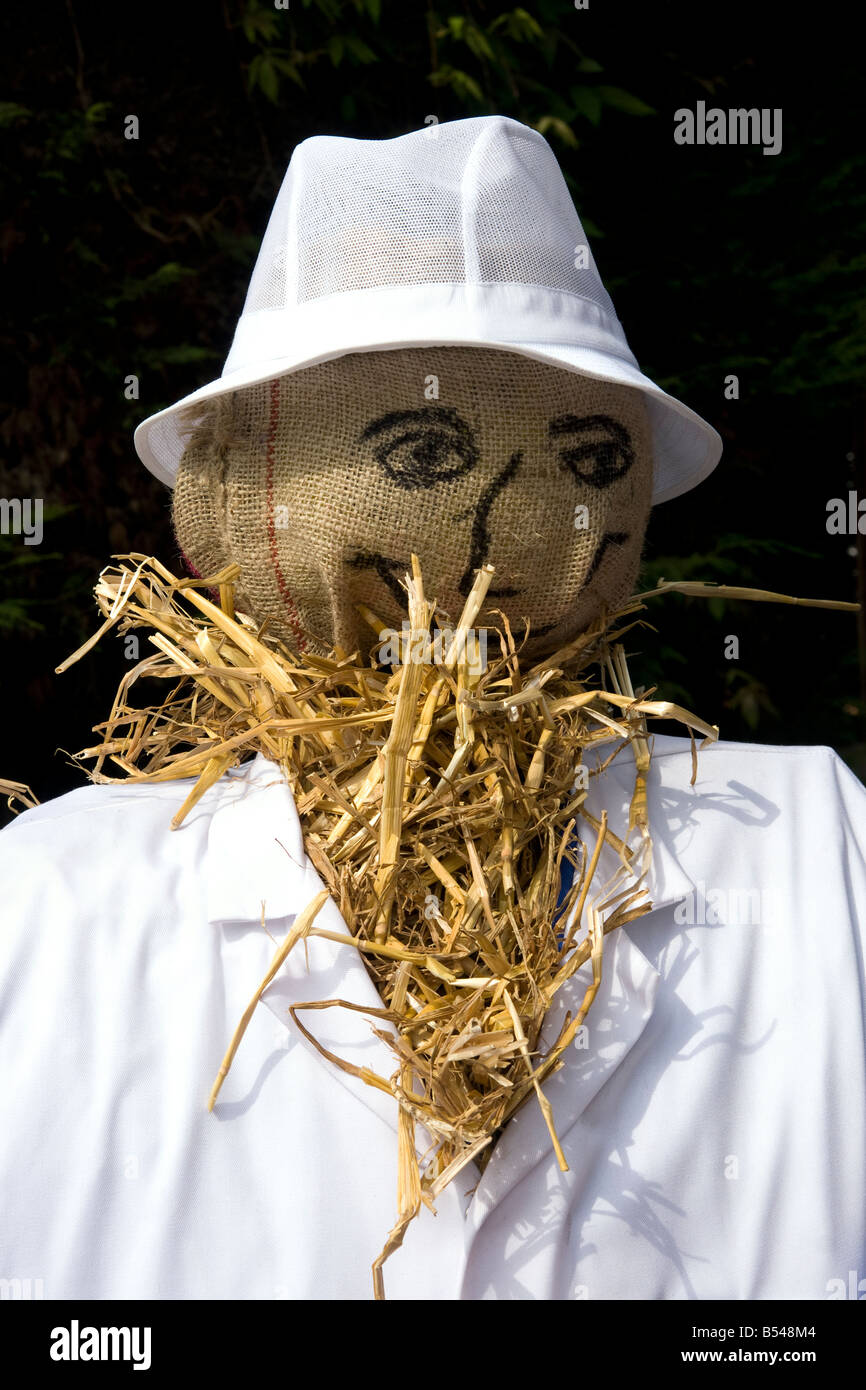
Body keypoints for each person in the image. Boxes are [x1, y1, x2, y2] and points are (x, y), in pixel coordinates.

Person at [1, 116, 864, 1302]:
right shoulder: (44, 902)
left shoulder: (821, 847)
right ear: (227, 491)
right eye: (417, 455)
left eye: (587, 462)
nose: (497, 520)